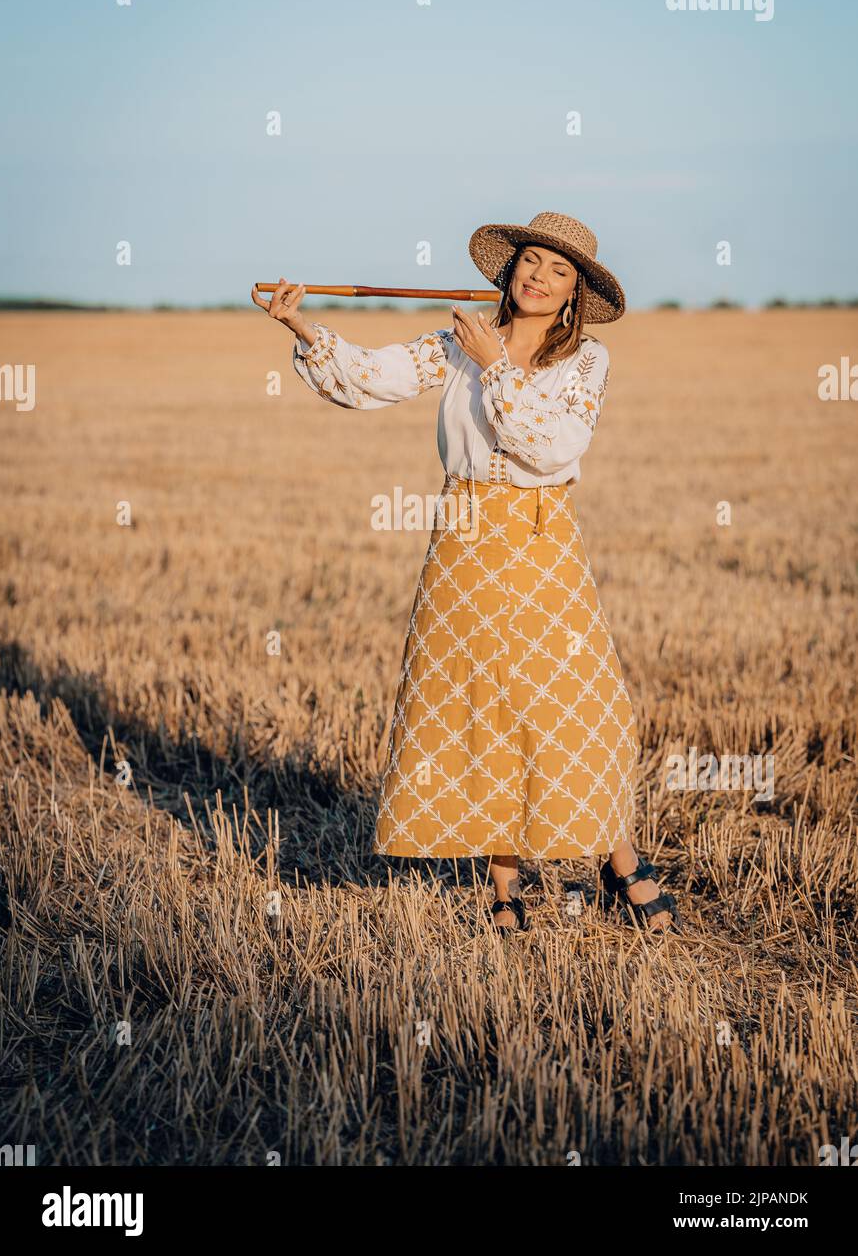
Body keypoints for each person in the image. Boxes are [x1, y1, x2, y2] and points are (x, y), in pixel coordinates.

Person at [252, 211, 681, 935]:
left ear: (575, 292)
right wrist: (301, 326)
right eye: (532, 262)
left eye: (559, 270)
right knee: (482, 708)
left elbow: (554, 444)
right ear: (510, 270)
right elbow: (369, 379)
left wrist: (496, 366)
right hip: (463, 541)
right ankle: (502, 889)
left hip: (542, 541)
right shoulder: (456, 343)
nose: (540, 277)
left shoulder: (586, 361)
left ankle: (622, 862)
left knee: (572, 702)